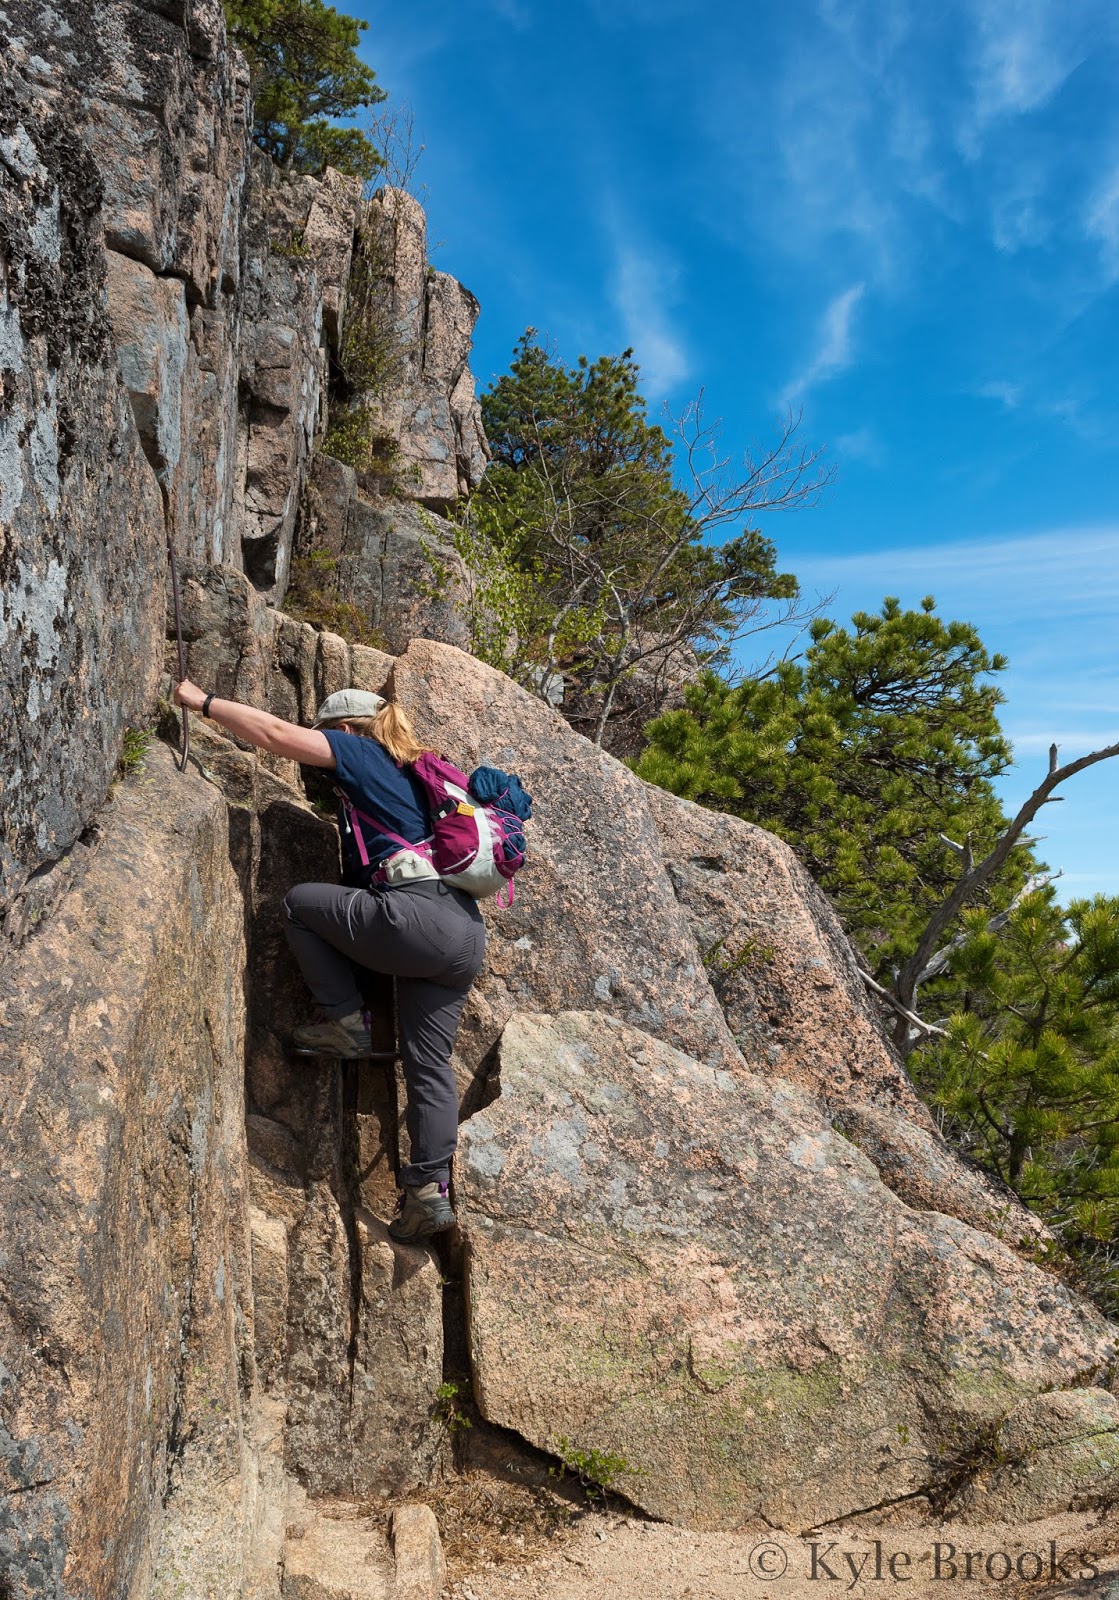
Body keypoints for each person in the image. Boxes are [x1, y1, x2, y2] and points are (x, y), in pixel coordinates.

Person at [172, 678, 485, 1244]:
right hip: (463, 935)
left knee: (297, 906)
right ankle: (428, 1195)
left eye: (328, 737)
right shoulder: (419, 776)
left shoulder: (362, 752)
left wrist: (204, 703)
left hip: (415, 921)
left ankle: (346, 1025)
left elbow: (274, 734)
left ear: (344, 729)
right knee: (429, 1067)